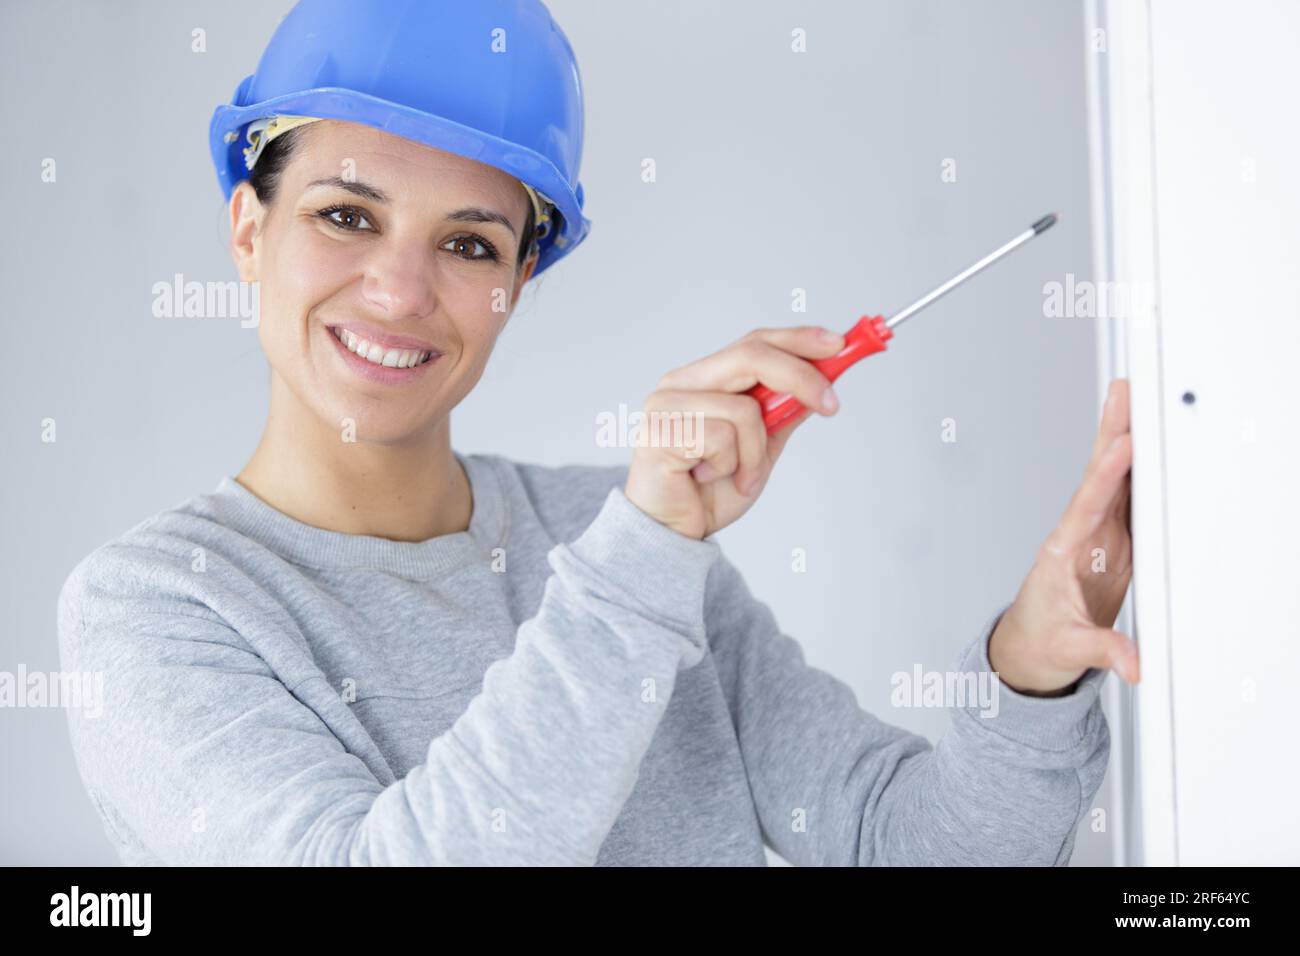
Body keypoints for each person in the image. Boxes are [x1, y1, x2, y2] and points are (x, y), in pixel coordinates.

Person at [56, 0, 1137, 866]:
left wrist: (1030, 672)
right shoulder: (159, 604)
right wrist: (639, 557)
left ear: (520, 278)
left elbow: (907, 845)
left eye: (469, 244)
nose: (398, 290)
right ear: (249, 230)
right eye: (346, 215)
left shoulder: (614, 538)